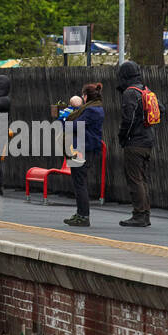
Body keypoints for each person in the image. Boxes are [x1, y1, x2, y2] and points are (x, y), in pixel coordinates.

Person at [116, 60, 154, 227]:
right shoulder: (145, 90)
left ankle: (139, 215)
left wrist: (123, 137)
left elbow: (128, 119)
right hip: (147, 140)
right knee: (142, 179)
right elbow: (161, 109)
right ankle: (145, 214)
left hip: (135, 142)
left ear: (124, 76)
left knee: (134, 179)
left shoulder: (130, 93)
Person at [62, 82, 104, 228]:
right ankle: (80, 213)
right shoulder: (93, 108)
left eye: (82, 95)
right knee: (78, 181)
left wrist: (64, 119)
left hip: (82, 149)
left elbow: (75, 126)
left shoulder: (91, 110)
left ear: (86, 96)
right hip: (83, 147)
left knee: (79, 182)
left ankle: (83, 216)